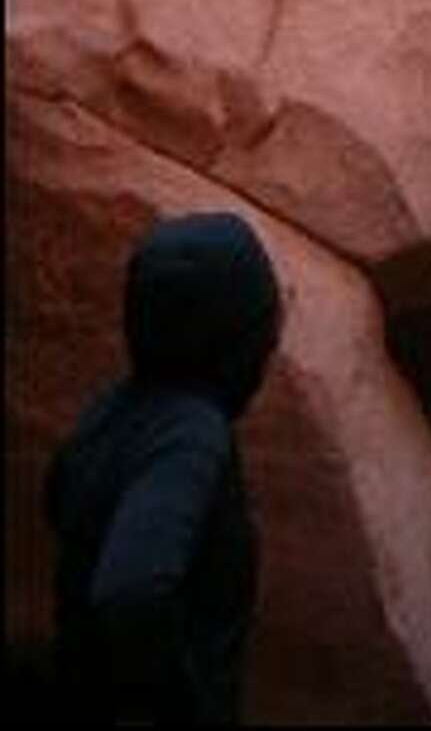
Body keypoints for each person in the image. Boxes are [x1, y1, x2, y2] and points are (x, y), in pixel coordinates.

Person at [45, 210, 283, 724]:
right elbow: (130, 592)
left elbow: (58, 503)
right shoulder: (191, 434)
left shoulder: (109, 412)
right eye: (263, 324)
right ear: (232, 339)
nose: (272, 344)